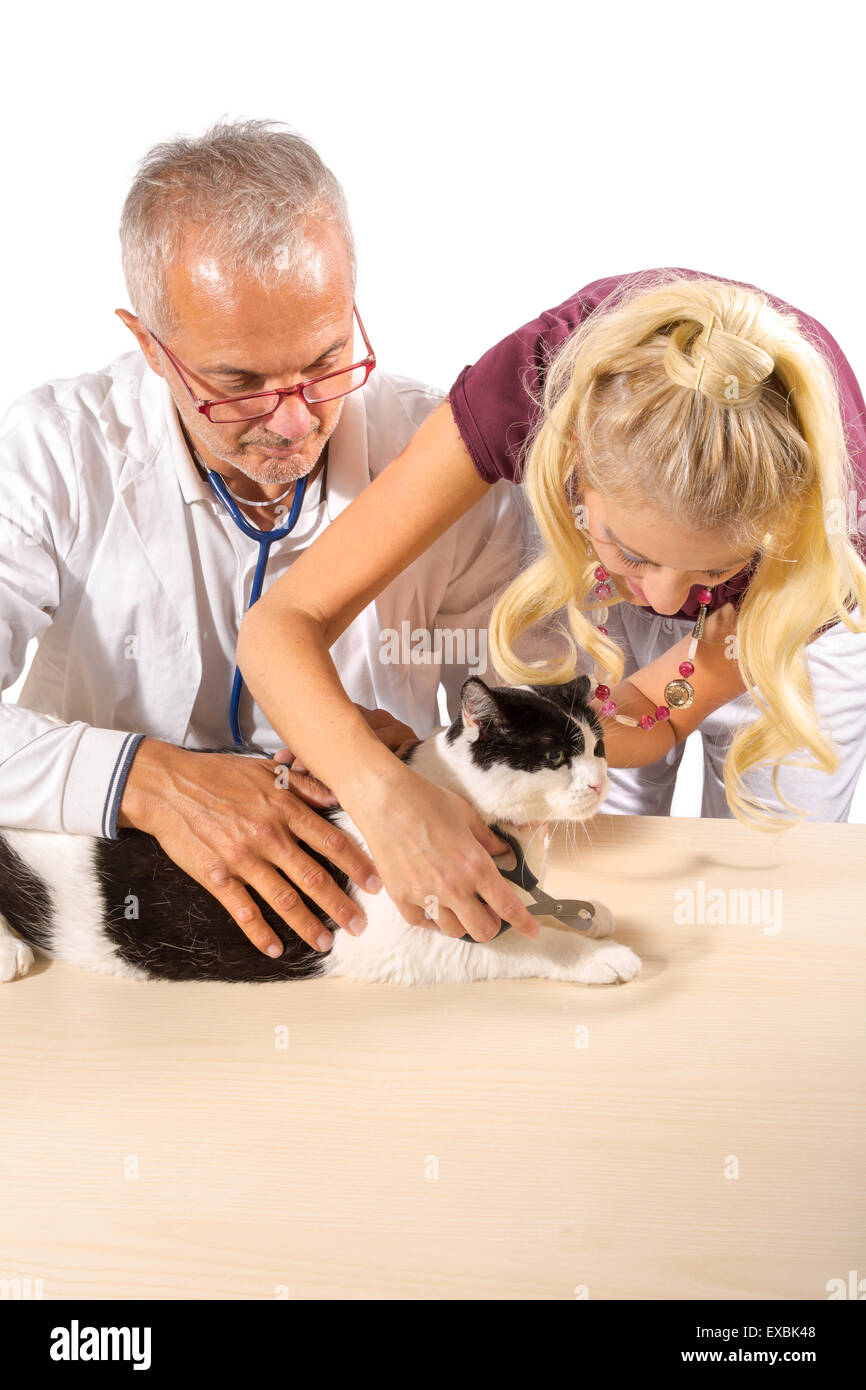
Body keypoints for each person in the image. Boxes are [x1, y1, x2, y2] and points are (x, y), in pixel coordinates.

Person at [0, 118, 533, 959]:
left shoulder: (453, 466)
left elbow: (529, 736)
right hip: (93, 929)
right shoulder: (49, 453)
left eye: (325, 361)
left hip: (368, 933)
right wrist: (145, 781)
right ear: (147, 343)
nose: (294, 421)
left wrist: (420, 760)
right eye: (238, 383)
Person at [237, 265, 866, 943]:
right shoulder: (527, 388)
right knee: (588, 867)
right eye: (637, 556)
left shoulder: (827, 523)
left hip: (770, 621)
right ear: (570, 457)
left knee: (769, 896)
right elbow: (280, 623)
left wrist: (690, 576)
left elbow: (654, 723)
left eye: (711, 568)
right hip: (579, 573)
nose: (663, 599)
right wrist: (388, 780)